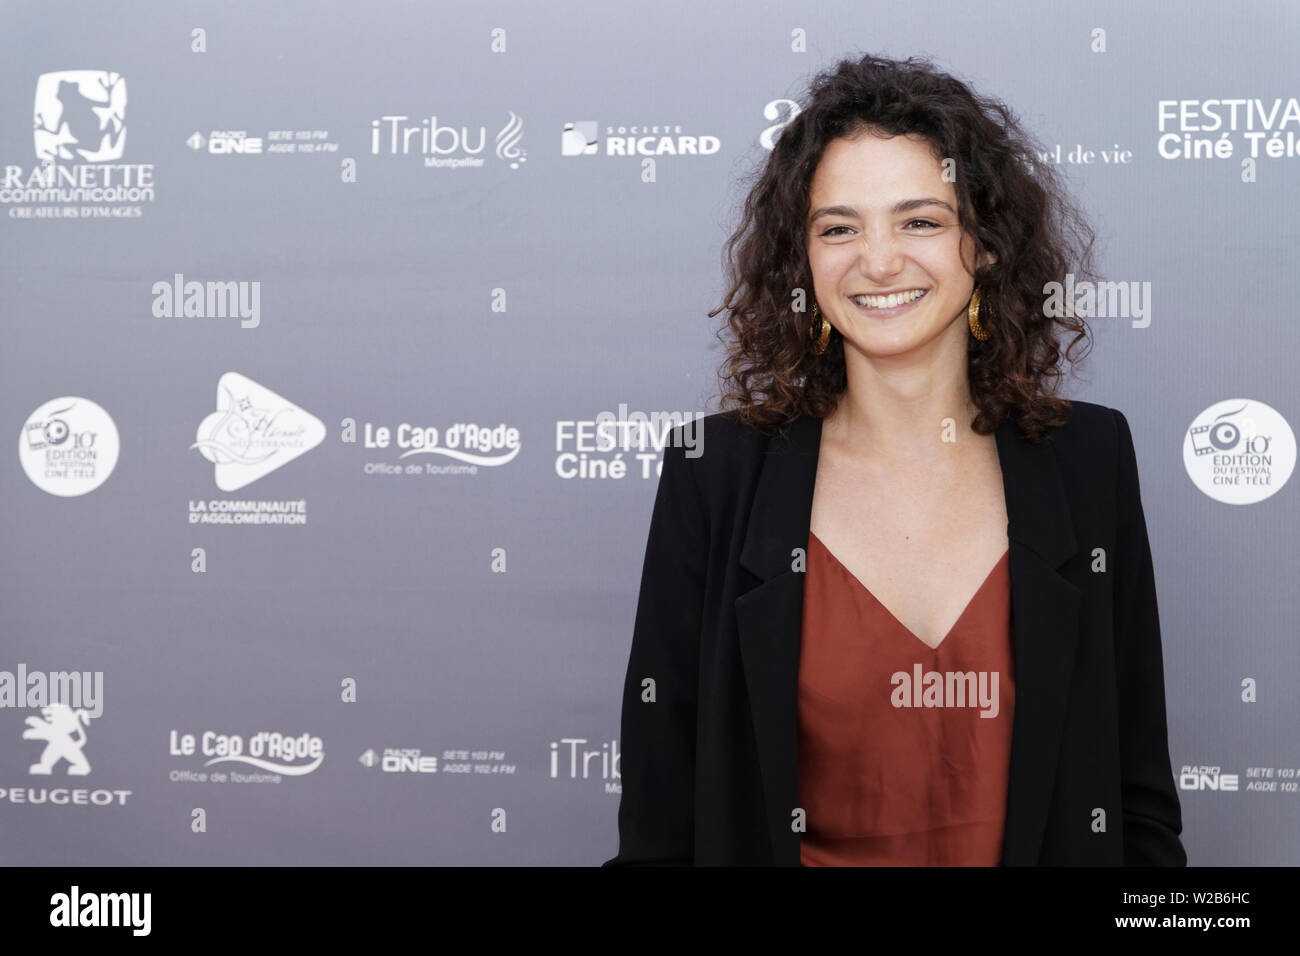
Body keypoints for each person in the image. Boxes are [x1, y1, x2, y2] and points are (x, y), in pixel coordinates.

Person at [604, 53, 1186, 866]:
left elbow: (1136, 806)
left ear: (984, 244)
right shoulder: (716, 472)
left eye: (919, 221)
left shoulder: (1086, 461)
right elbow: (663, 826)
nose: (877, 261)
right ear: (799, 260)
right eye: (838, 227)